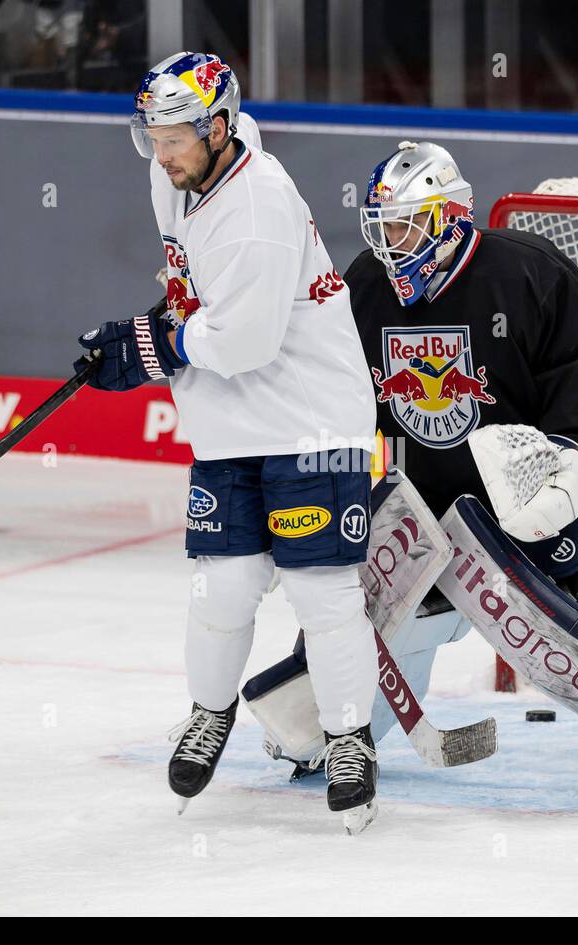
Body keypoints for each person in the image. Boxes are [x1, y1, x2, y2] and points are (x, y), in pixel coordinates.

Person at [249, 140, 578, 805]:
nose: (393, 244)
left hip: (538, 491)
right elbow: (338, 392)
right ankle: (337, 723)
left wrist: (574, 470)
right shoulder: (370, 285)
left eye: (407, 225)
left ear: (449, 217)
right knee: (364, 604)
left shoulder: (525, 272)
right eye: (384, 228)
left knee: (545, 621)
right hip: (423, 500)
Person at [76, 51, 381, 831]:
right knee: (224, 588)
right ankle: (209, 714)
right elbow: (196, 290)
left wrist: (150, 349)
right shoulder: (182, 172)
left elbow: (244, 339)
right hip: (229, 422)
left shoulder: (259, 210)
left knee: (321, 591)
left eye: (173, 136)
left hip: (310, 419)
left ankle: (349, 739)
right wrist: (154, 331)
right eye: (150, 135)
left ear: (216, 127)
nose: (160, 151)